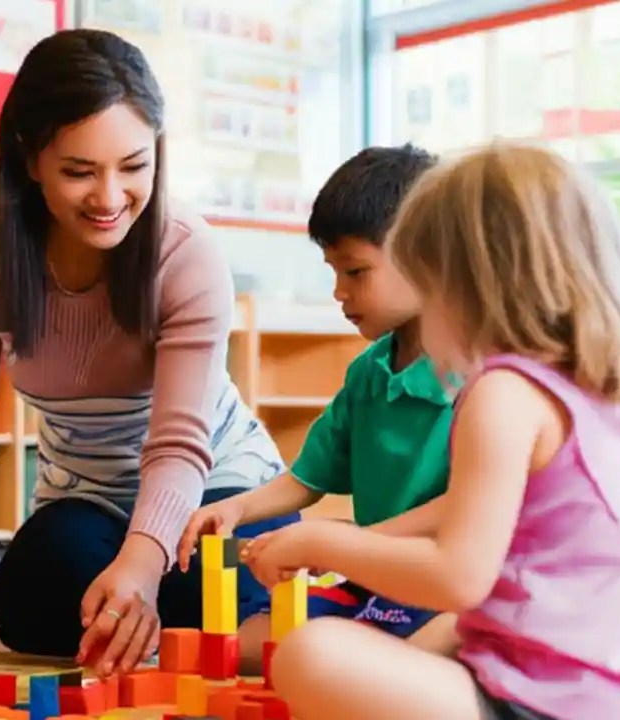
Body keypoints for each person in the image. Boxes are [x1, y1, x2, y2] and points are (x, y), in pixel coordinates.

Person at [0, 27, 285, 673]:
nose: (110, 198)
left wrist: (142, 565)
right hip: (89, 494)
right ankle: (154, 621)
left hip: (216, 486)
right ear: (30, 157)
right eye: (78, 172)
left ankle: (165, 612)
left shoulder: (186, 252)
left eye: (134, 166)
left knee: (203, 583)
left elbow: (178, 442)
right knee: (33, 596)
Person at [244, 143, 620, 720]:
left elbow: (457, 578)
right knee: (392, 652)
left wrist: (320, 542)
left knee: (310, 654)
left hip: (543, 703)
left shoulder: (503, 395)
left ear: (467, 281)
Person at [178, 144, 457, 672]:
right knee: (257, 639)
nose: (339, 292)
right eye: (334, 272)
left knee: (403, 647)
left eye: (356, 273)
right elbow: (308, 477)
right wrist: (236, 508)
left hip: (440, 583)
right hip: (374, 582)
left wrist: (339, 544)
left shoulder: (478, 379)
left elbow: (464, 510)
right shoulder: (369, 373)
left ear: (428, 257)